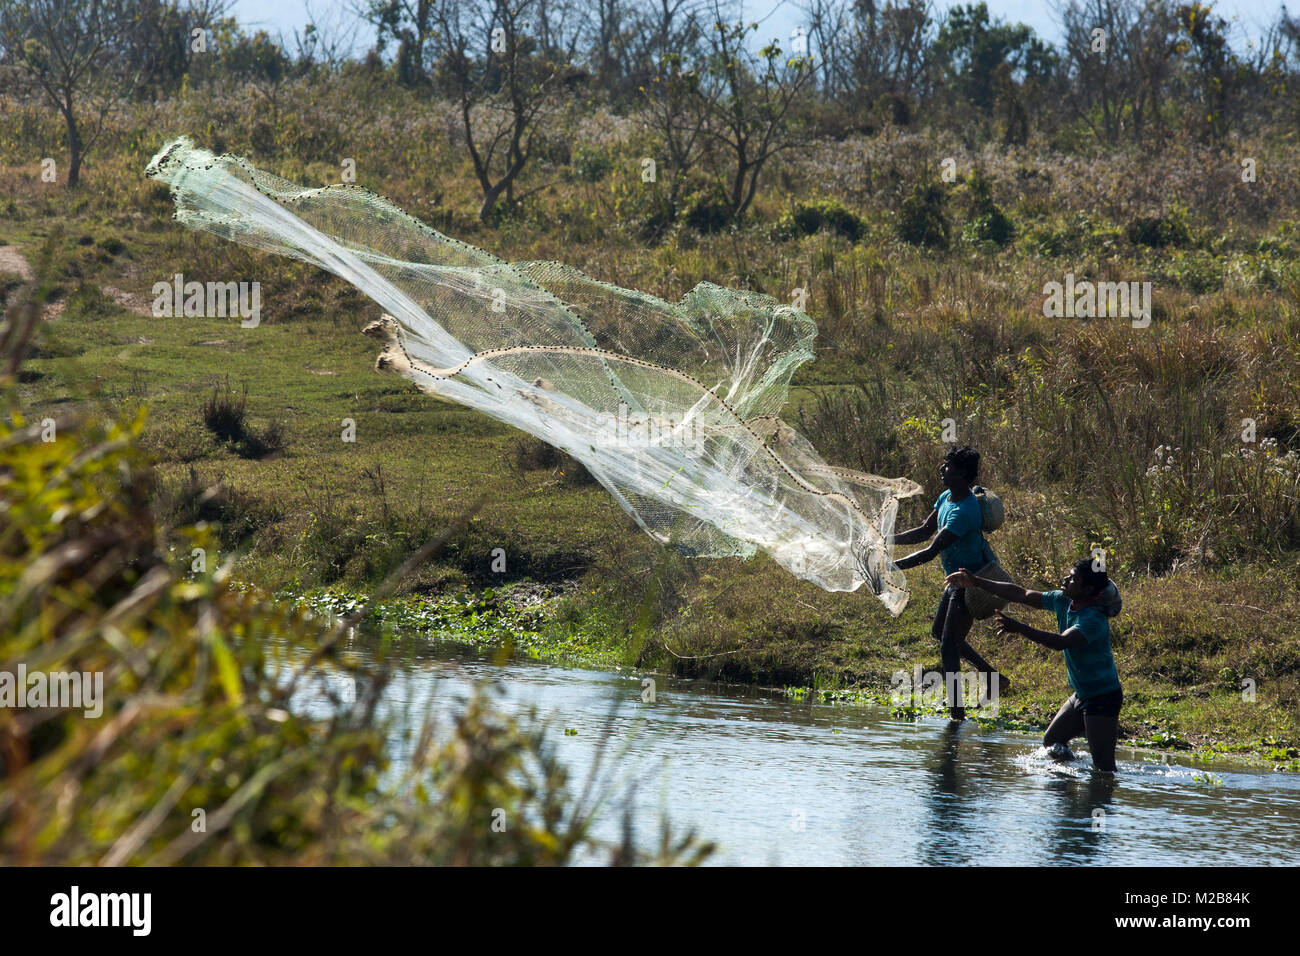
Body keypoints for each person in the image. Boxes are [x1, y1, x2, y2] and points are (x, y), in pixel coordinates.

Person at [945, 559, 1124, 772]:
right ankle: (1072, 785)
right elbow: (1022, 594)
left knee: (1104, 770)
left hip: (1101, 697)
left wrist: (1019, 627)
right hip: (1081, 695)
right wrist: (976, 582)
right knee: (1053, 743)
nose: (1066, 579)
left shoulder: (1093, 620)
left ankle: (1096, 796)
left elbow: (1061, 642)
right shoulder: (1063, 600)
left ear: (1087, 590)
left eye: (1073, 578)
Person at [894, 445, 1006, 721]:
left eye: (948, 467)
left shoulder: (965, 511)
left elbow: (931, 551)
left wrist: (892, 566)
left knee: (948, 645)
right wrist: (889, 538)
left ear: (963, 474)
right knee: (941, 635)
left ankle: (957, 712)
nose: (942, 469)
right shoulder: (946, 496)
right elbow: (923, 531)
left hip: (972, 581)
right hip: (956, 580)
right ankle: (993, 678)